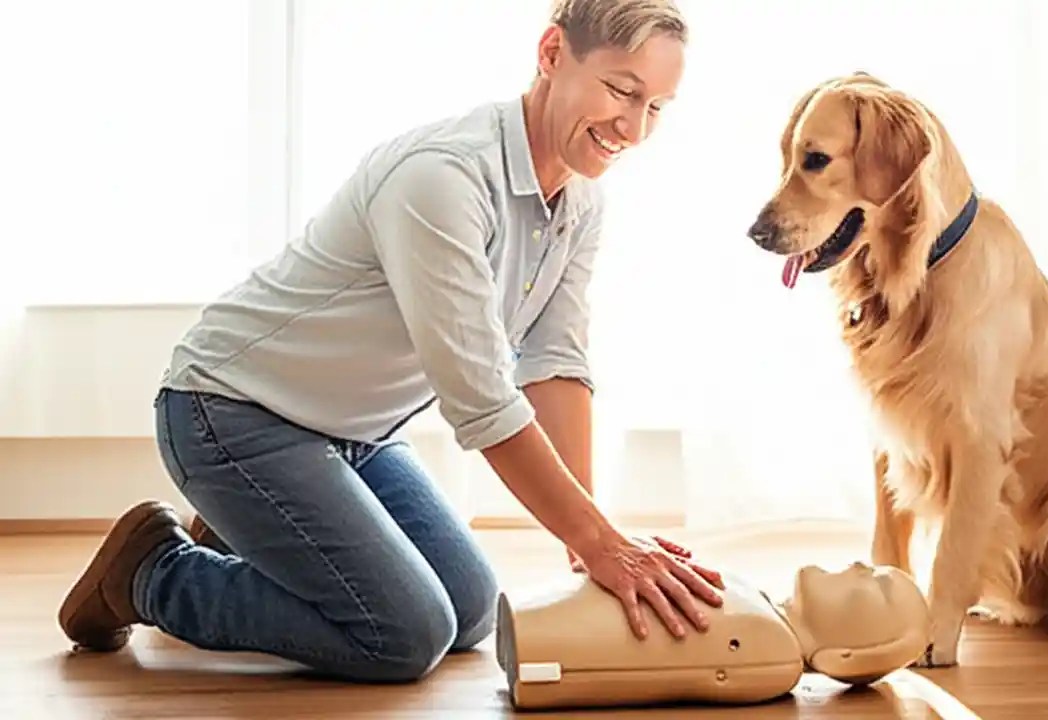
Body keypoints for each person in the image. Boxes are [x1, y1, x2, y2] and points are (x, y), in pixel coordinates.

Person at [57, 0, 724, 684]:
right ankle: (150, 574)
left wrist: (588, 545)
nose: (635, 128)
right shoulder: (444, 178)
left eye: (657, 107)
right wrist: (600, 540)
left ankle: (248, 531)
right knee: (404, 635)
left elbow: (553, 362)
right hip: (229, 412)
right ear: (552, 53)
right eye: (622, 90)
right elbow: (483, 401)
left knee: (468, 612)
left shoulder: (580, 198)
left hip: (353, 435)